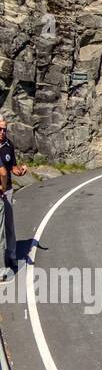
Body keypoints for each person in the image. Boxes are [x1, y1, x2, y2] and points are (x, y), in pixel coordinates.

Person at [0, 119, 26, 284]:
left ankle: (12, 256)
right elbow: (2, 172)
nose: (2, 132)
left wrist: (20, 172)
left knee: (9, 226)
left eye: (4, 129)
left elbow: (11, 168)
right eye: (0, 129)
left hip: (7, 190)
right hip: (1, 190)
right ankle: (2, 266)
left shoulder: (9, 144)